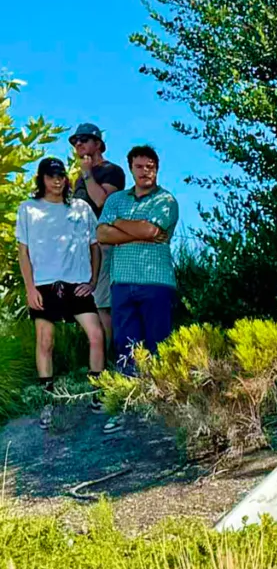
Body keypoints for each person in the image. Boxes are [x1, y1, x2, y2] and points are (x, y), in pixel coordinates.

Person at [14, 158, 109, 395]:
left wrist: (93, 282)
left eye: (60, 176)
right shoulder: (28, 208)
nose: (56, 181)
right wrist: (30, 289)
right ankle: (48, 398)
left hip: (77, 284)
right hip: (44, 285)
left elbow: (94, 246)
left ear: (66, 179)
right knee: (46, 341)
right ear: (42, 179)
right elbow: (23, 252)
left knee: (96, 335)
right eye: (50, 176)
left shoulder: (80, 207)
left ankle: (96, 393)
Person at [95, 143, 180, 372]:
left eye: (150, 167)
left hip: (156, 282)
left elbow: (150, 231)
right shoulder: (116, 200)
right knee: (125, 345)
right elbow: (101, 234)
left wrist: (117, 224)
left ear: (157, 169)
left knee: (158, 345)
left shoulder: (165, 200)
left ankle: (158, 398)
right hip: (122, 282)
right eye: (139, 166)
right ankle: (129, 399)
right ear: (131, 169)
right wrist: (137, 231)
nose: (145, 171)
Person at [68, 125, 116, 326]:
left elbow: (101, 202)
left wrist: (87, 173)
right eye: (75, 141)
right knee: (83, 305)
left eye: (84, 139)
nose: (78, 143)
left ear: (98, 144)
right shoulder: (79, 177)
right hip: (80, 247)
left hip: (102, 244)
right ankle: (90, 354)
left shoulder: (111, 170)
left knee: (101, 305)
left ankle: (108, 356)